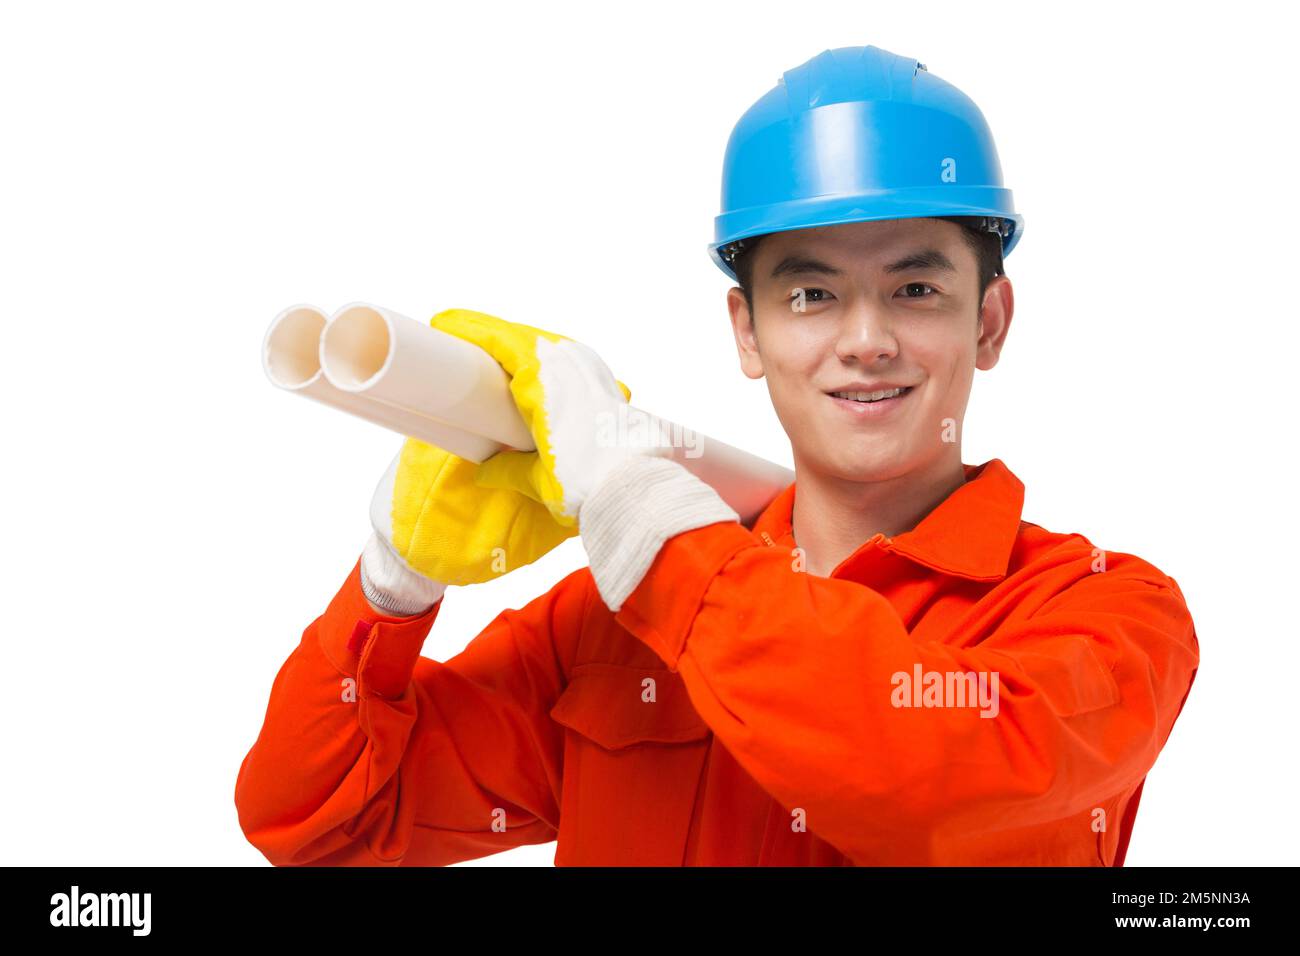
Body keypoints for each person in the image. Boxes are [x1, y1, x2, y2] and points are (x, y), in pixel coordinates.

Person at [235, 45, 1199, 866]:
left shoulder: (1107, 614)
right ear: (747, 332)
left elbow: (917, 779)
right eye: (811, 296)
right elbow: (316, 821)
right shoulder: (612, 619)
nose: (865, 341)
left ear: (988, 320)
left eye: (914, 289)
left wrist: (654, 531)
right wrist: (391, 586)